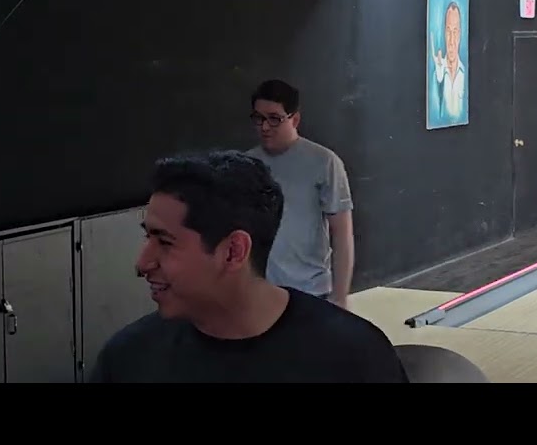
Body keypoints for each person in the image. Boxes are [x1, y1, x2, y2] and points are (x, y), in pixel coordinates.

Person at [88, 150, 407, 383]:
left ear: (233, 252)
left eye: (165, 242)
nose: (142, 263)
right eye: (147, 238)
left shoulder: (353, 358)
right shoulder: (129, 359)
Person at [244, 79, 355, 309]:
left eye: (274, 119)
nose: (264, 127)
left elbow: (342, 234)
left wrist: (340, 295)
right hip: (262, 291)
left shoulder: (324, 162)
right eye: (259, 118)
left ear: (294, 119)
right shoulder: (247, 164)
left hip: (312, 291)